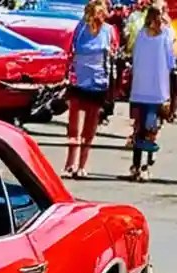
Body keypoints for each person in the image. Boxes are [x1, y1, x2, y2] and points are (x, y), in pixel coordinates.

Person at [65, 0, 114, 177]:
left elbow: (111, 57)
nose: (98, 20)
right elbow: (71, 50)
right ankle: (71, 162)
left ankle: (82, 164)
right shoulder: (81, 28)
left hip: (98, 83)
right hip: (78, 81)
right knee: (74, 127)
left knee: (89, 128)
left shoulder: (108, 31)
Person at [129, 1, 177, 181]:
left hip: (145, 89)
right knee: (147, 128)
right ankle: (141, 165)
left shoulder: (145, 35)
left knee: (143, 128)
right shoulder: (163, 35)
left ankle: (139, 164)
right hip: (153, 89)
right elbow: (171, 61)